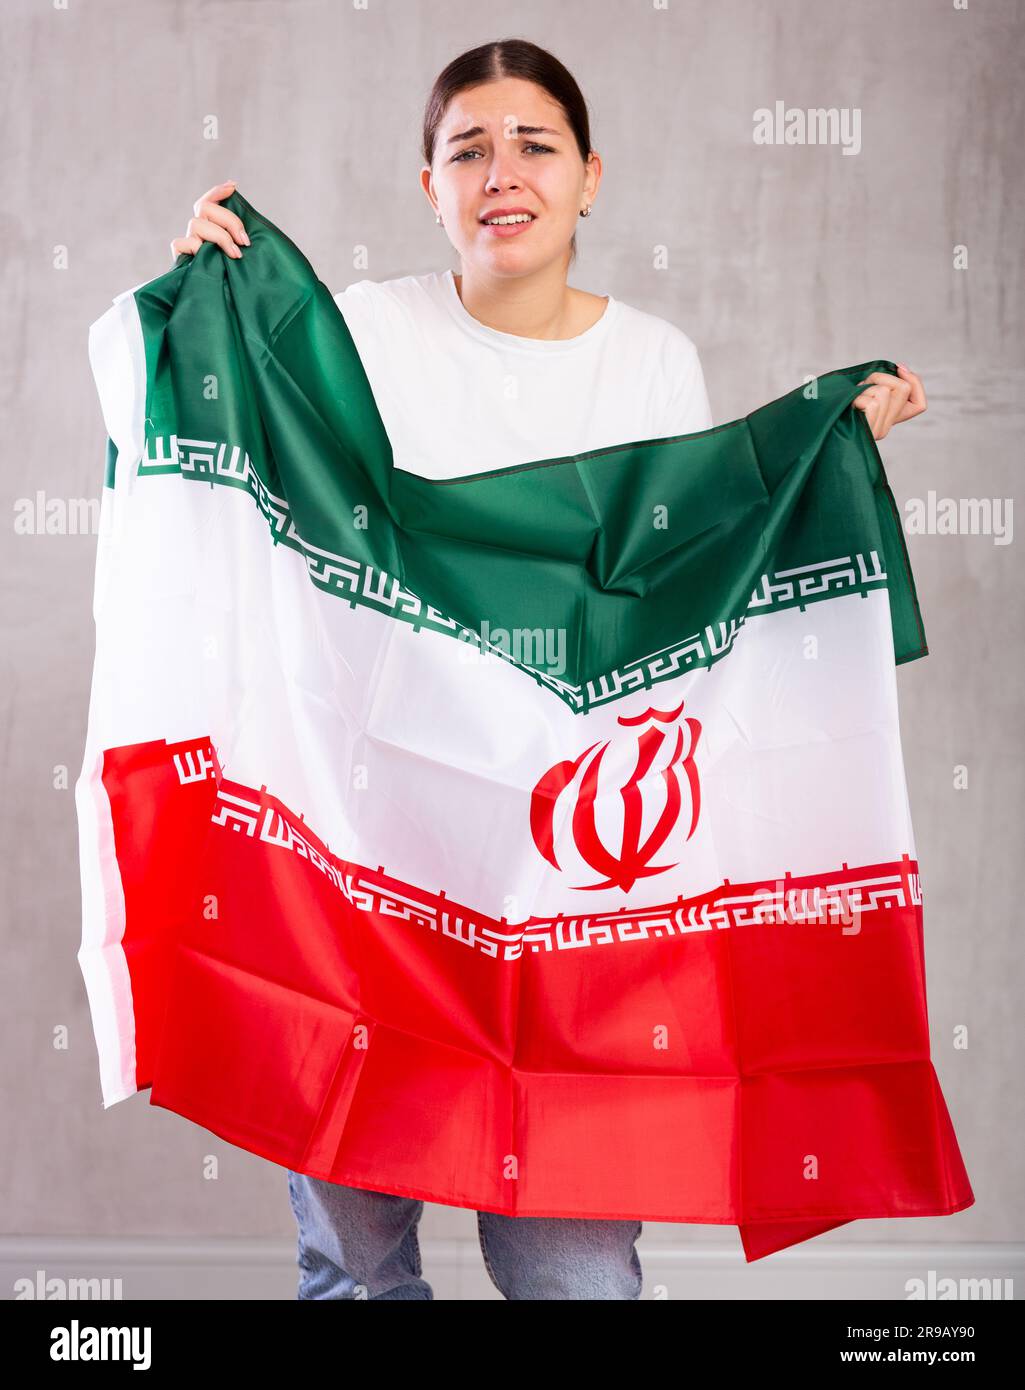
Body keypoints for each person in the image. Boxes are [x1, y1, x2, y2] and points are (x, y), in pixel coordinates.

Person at [167, 37, 926, 1301]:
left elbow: (692, 601)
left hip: (573, 882)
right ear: (428, 185)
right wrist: (206, 292)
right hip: (377, 855)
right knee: (352, 1256)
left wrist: (825, 455)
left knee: (573, 1268)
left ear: (589, 179)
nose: (499, 172)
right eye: (467, 148)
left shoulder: (651, 363)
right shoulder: (358, 333)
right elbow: (261, 500)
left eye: (534, 144)